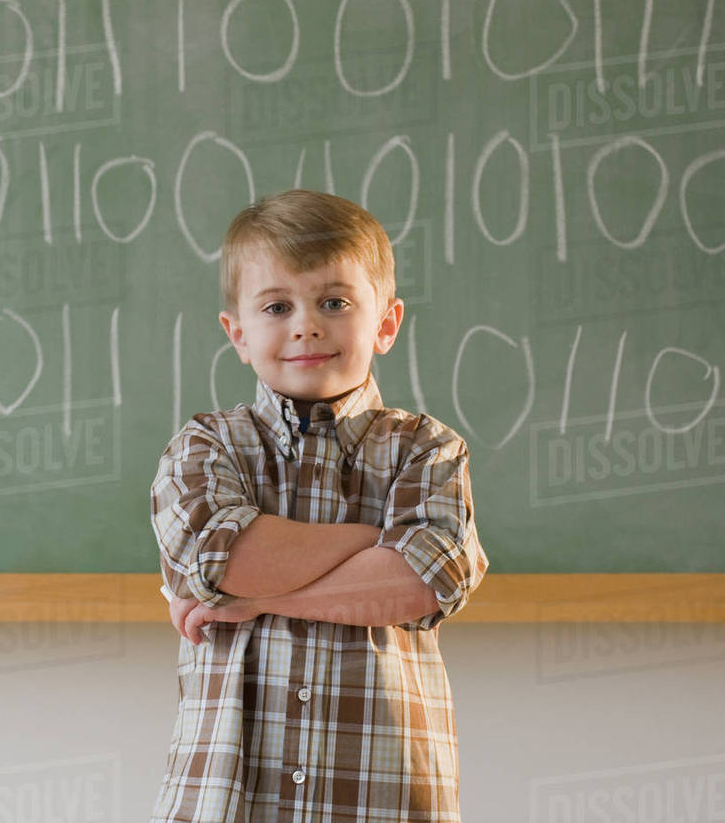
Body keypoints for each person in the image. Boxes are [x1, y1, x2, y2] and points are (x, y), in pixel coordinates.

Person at [149, 189, 488, 823]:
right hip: (225, 798)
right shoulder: (204, 447)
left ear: (385, 322)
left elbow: (418, 584)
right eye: (277, 306)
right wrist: (371, 540)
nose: (306, 324)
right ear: (239, 333)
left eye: (334, 302)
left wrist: (250, 601)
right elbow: (227, 561)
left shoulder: (427, 449)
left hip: (383, 795)